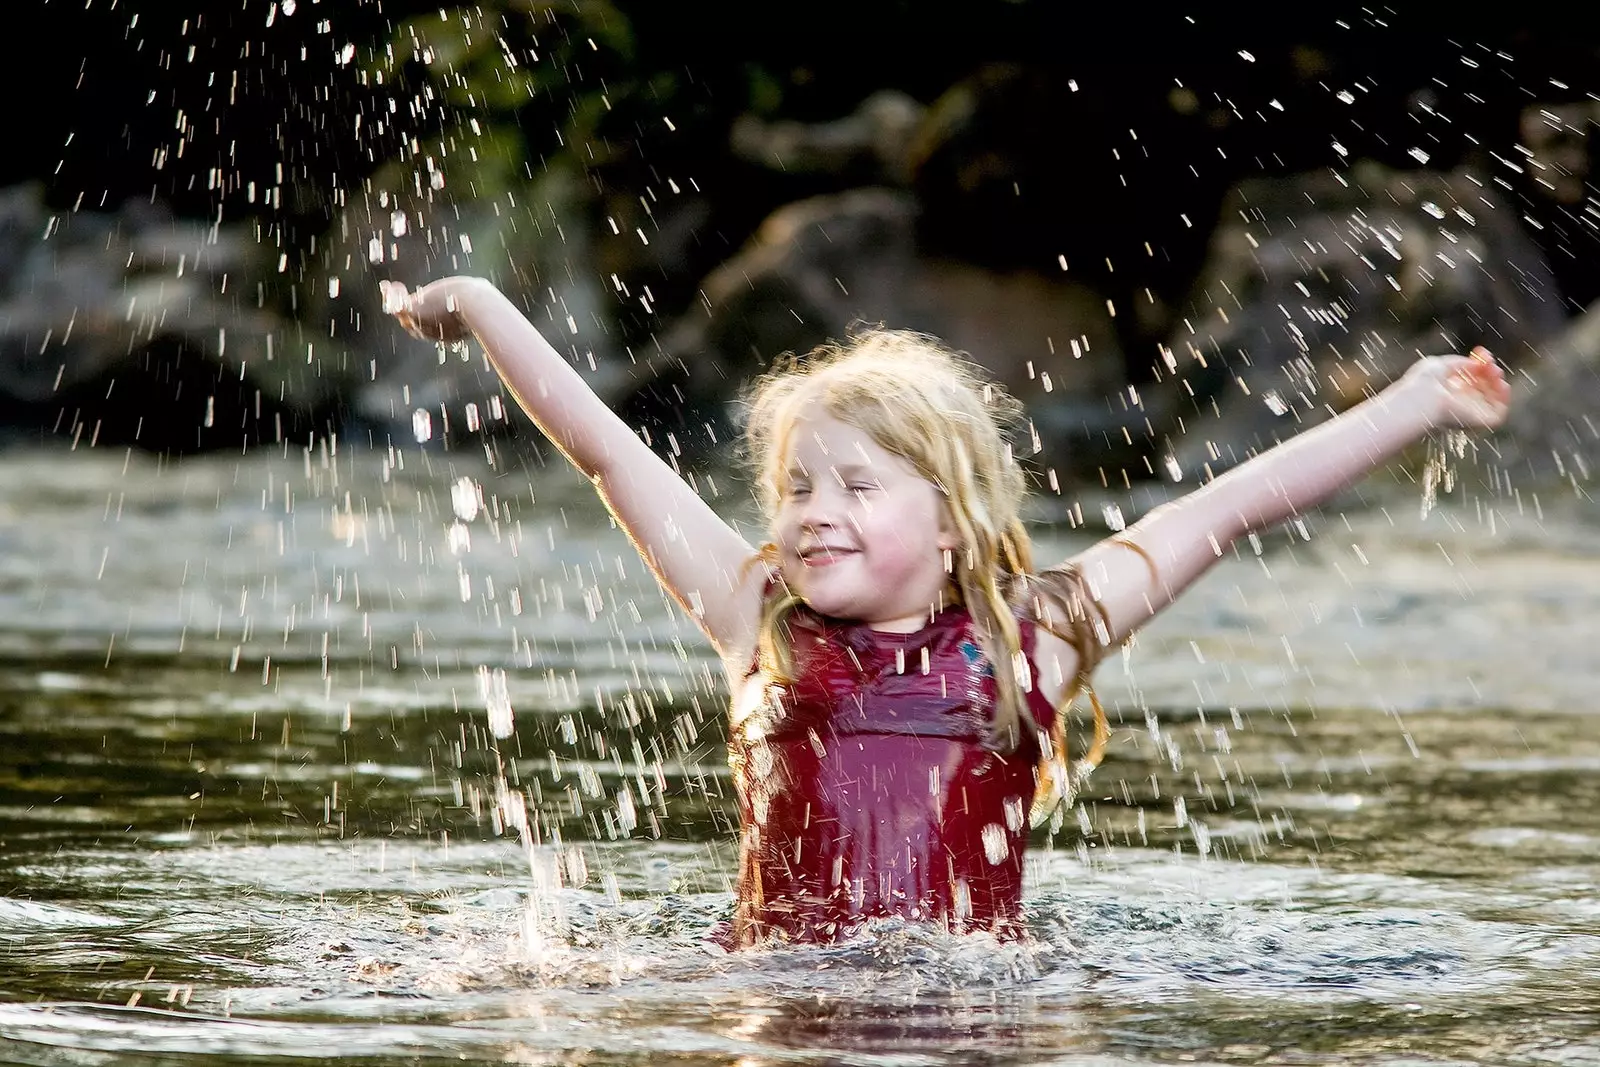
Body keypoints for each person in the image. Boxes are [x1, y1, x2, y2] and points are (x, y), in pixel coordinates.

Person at [382, 276, 1511, 947]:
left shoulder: (1041, 631)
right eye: (796, 486)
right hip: (774, 997)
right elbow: (604, 452)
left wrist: (1415, 403)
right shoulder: (756, 617)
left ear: (953, 522)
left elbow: (1223, 512)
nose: (815, 513)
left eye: (857, 487)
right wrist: (482, 308)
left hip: (972, 1006)